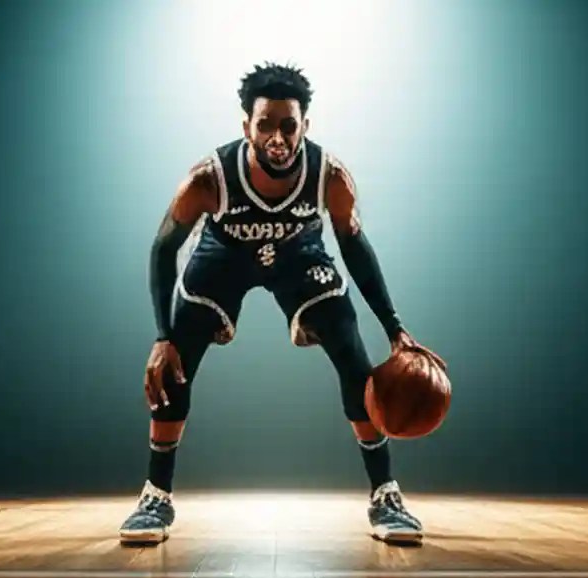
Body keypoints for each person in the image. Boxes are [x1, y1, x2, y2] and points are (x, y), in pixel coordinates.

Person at [120, 62, 445, 545]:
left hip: (299, 255)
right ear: (246, 126)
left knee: (347, 340)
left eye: (288, 125)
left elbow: (354, 246)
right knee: (177, 356)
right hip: (225, 255)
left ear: (305, 126)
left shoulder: (329, 176)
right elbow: (164, 247)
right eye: (265, 124)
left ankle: (385, 494)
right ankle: (155, 494)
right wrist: (161, 338)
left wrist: (394, 327)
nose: (277, 137)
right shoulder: (208, 180)